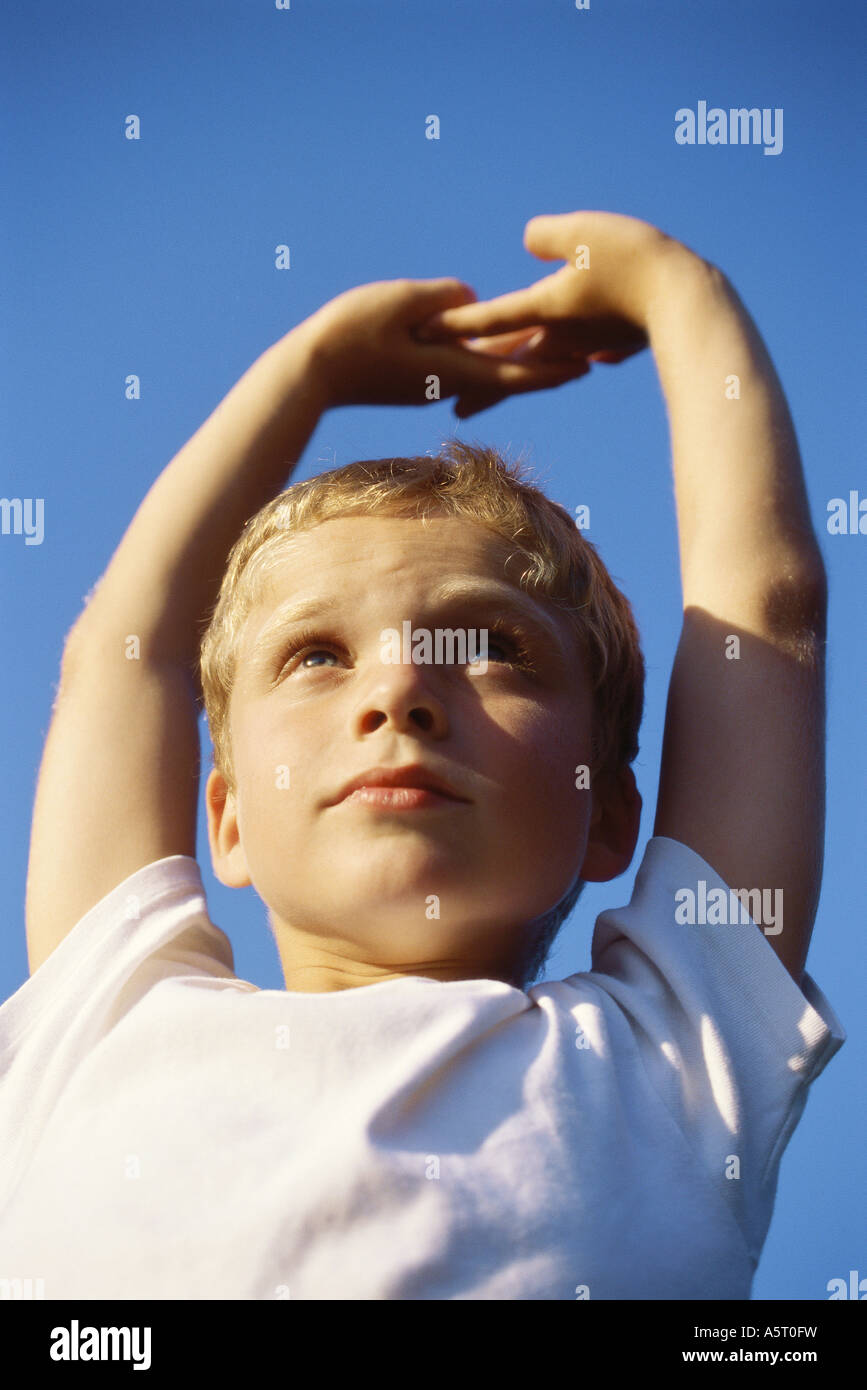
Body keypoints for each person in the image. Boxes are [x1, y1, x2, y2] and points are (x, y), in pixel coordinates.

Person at [1, 211, 845, 1299]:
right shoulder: (106, 1018)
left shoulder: (682, 1057)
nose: (401, 688)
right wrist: (306, 370)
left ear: (609, 816)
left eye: (494, 648)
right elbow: (118, 656)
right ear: (229, 819)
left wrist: (681, 294)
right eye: (315, 654)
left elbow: (767, 619)